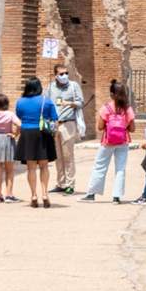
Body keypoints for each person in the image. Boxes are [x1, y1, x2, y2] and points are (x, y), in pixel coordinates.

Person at [81, 80, 135, 203]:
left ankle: (91, 194)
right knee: (120, 168)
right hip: (123, 141)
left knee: (100, 166)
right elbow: (132, 129)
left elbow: (100, 127)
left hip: (108, 142)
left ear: (111, 94)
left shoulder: (106, 108)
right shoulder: (127, 109)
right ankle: (116, 197)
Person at [14, 77, 58, 208]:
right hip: (43, 133)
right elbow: (55, 120)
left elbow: (19, 118)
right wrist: (54, 135)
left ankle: (33, 195)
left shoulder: (20, 102)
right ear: (39, 87)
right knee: (44, 166)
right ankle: (45, 194)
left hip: (27, 134)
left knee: (31, 168)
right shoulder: (47, 101)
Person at [48, 64, 85, 196]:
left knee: (68, 155)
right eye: (61, 74)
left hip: (68, 124)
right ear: (55, 75)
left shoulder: (73, 86)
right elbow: (47, 103)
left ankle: (70, 184)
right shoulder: (51, 86)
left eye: (66, 73)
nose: (64, 76)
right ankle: (60, 183)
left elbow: (81, 102)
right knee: (57, 156)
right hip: (54, 124)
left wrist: (69, 103)